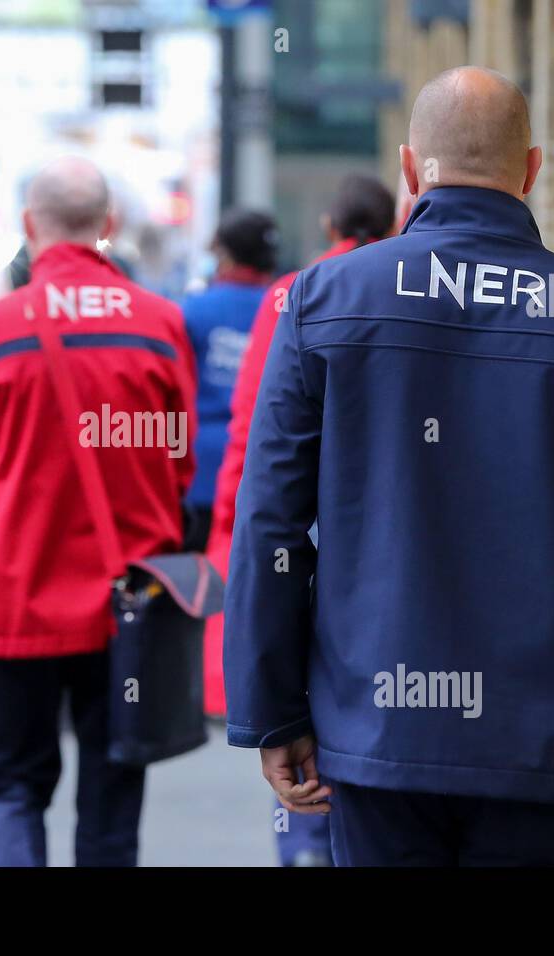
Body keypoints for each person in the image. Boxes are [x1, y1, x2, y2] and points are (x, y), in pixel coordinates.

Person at [224, 66, 554, 866]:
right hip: (551, 746)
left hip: (377, 732)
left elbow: (272, 524)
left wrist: (271, 711)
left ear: (410, 172)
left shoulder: (322, 300)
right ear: (531, 170)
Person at [0, 156, 196, 866]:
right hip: (129, 604)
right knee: (112, 791)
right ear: (110, 226)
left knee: (9, 784)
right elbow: (181, 465)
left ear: (30, 227)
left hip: (19, 602)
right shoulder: (159, 324)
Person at [203, 175, 394, 867]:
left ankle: (311, 846)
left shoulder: (297, 294)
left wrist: (228, 525)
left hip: (305, 548)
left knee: (309, 718)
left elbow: (255, 431)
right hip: (381, 552)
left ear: (326, 221)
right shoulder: (404, 290)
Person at [178, 208, 277, 552]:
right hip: (267, 471)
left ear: (223, 252)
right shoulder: (285, 306)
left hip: (201, 474)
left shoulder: (192, 310)